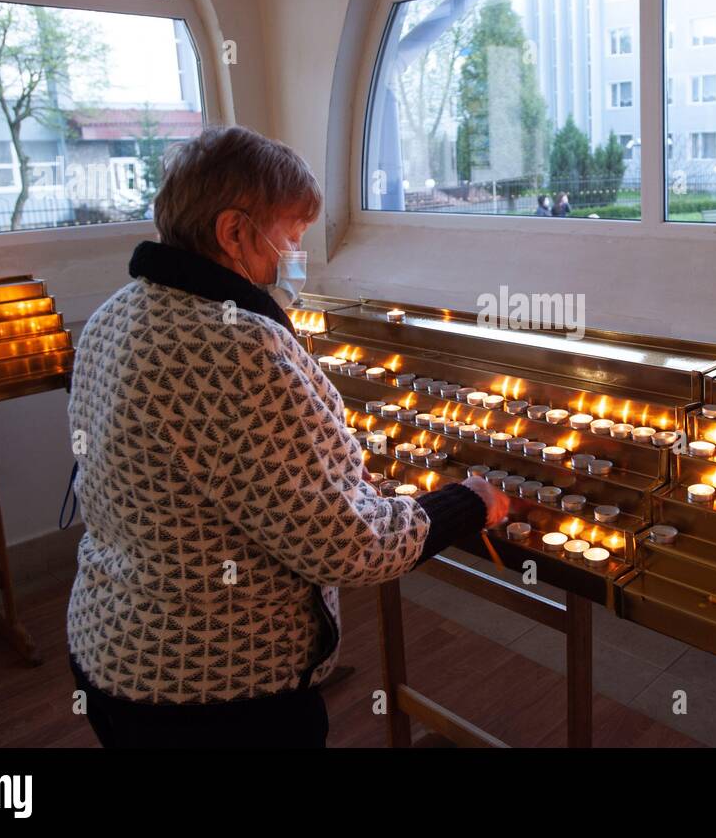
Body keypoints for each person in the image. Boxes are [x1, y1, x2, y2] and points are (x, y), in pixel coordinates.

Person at [66, 126, 508, 748]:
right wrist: (467, 503)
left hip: (115, 643)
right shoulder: (236, 345)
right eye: (291, 235)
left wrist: (342, 478)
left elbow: (211, 475)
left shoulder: (118, 311)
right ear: (234, 231)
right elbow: (344, 547)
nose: (294, 255)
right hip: (213, 688)